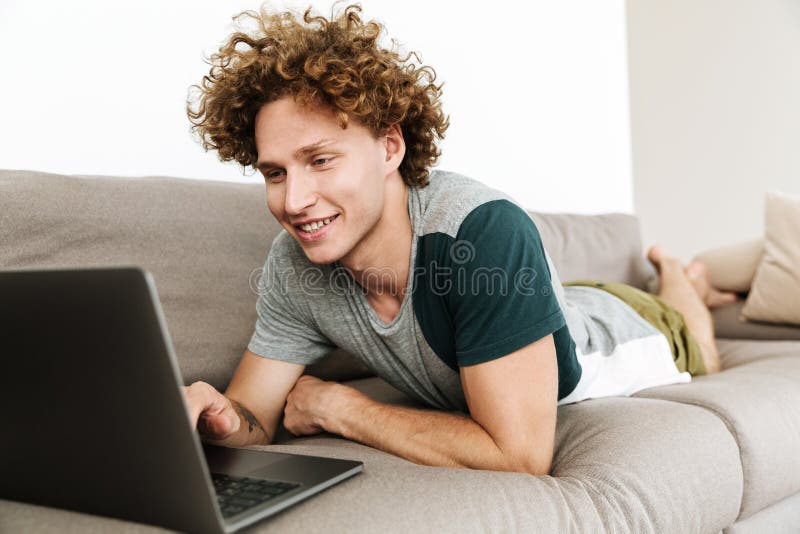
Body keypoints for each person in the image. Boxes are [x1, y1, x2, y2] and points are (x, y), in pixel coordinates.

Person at [183, 3, 739, 476]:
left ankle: (679, 275)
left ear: (389, 148)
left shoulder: (482, 232)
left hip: (632, 327)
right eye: (275, 173)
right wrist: (222, 418)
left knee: (697, 337)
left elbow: (520, 455)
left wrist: (340, 407)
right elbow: (252, 414)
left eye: (321, 160)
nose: (294, 200)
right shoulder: (292, 265)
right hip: (554, 303)